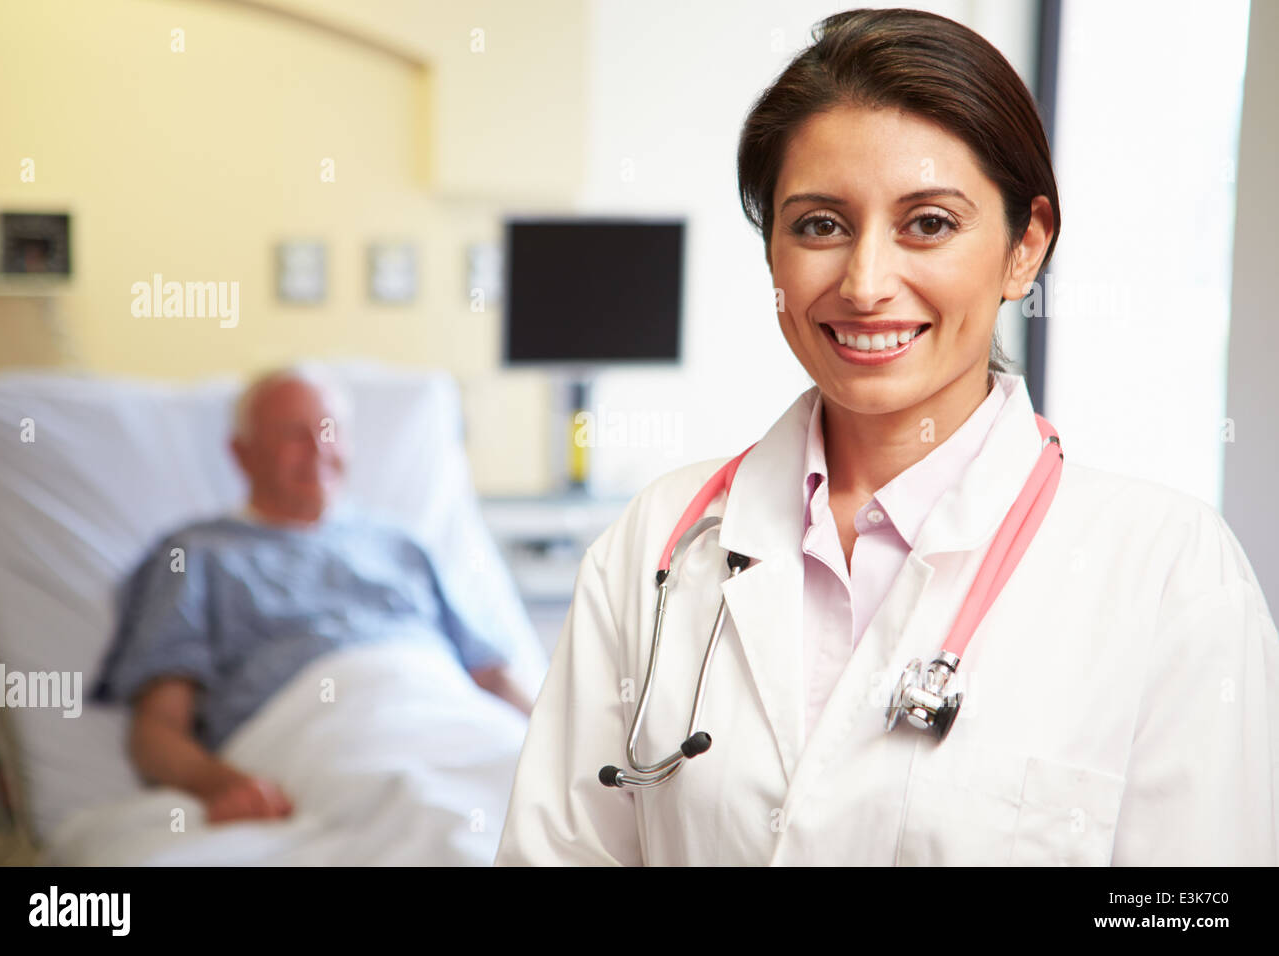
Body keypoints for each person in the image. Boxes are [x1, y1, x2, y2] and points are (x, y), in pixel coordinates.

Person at [495, 8, 1279, 866]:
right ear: (772, 254)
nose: (865, 283)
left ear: (1026, 247)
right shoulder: (656, 544)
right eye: (820, 224)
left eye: (930, 223)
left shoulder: (1166, 571)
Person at [92, 366, 533, 824]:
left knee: (546, 797)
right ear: (242, 454)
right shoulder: (196, 554)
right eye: (293, 435)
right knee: (430, 811)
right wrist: (224, 784)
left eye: (329, 431)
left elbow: (493, 678)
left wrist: (565, 744)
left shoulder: (400, 544)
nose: (318, 450)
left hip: (448, 709)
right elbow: (157, 727)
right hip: (319, 730)